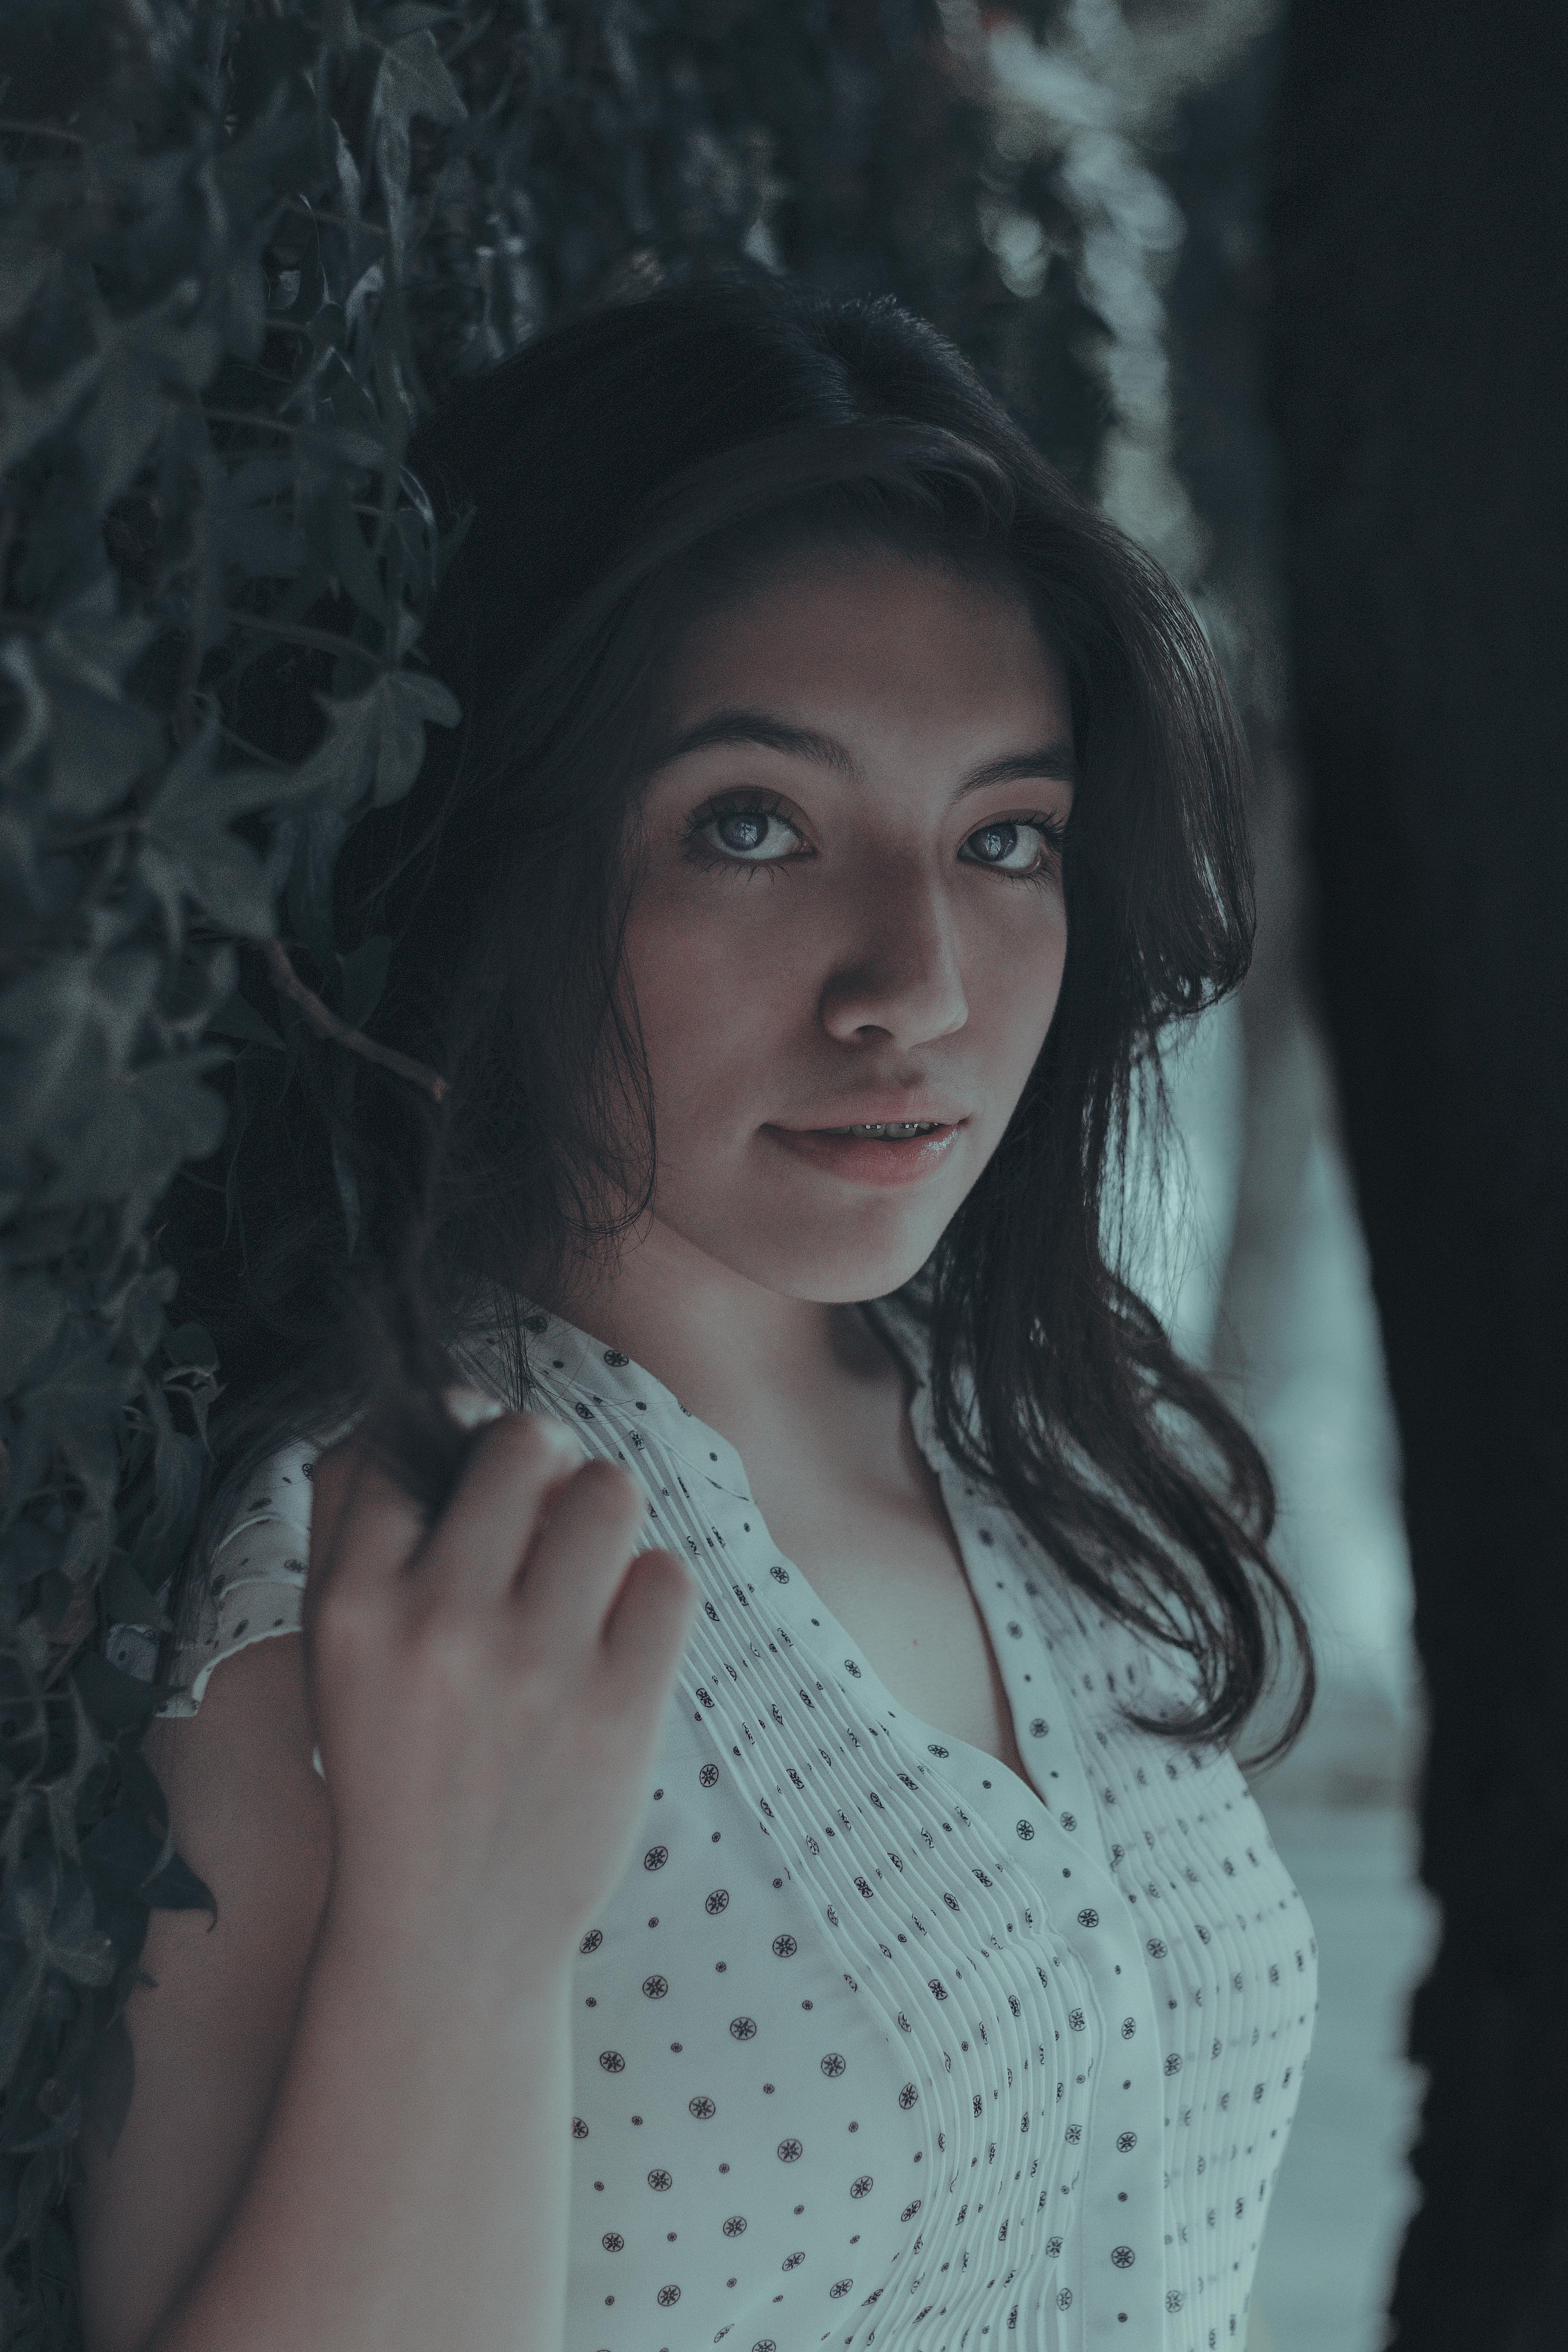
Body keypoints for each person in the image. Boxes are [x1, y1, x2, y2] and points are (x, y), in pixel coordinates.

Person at [69, 275, 1314, 2352]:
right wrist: (459, 1935)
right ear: (503, 850)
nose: (913, 980)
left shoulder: (1052, 1460)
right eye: (754, 826)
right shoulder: (379, 1569)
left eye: (1006, 837)